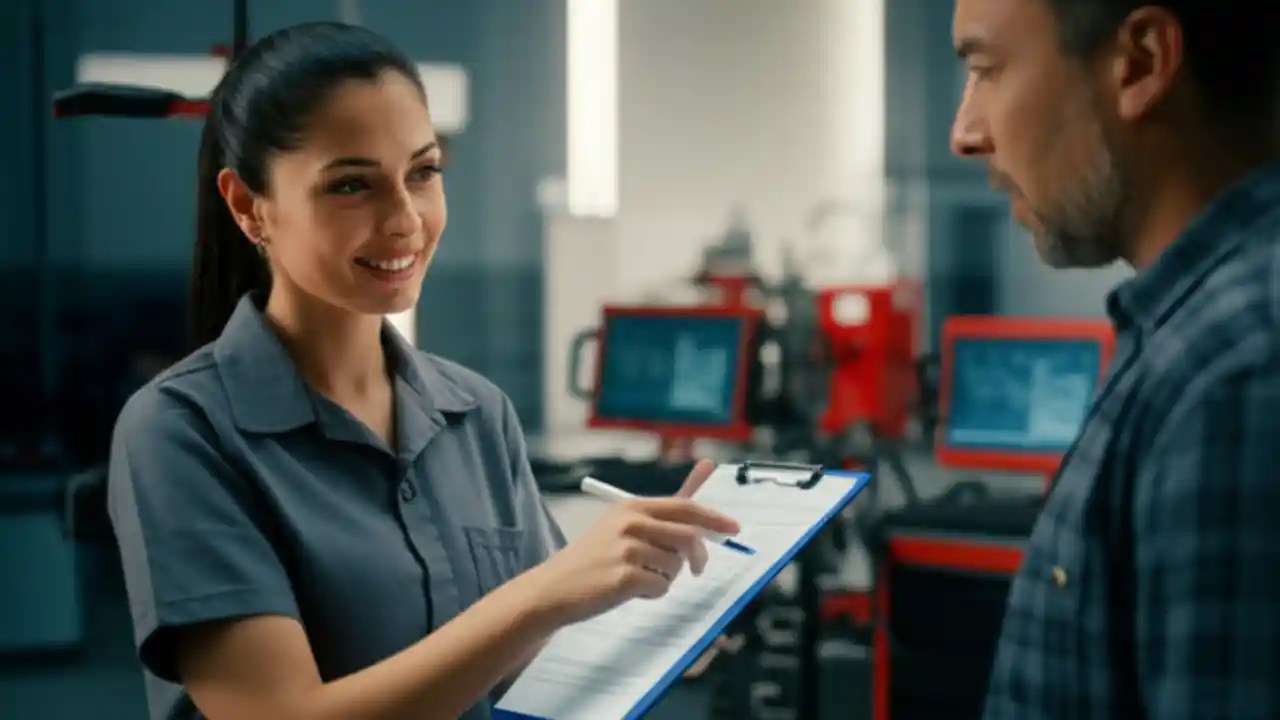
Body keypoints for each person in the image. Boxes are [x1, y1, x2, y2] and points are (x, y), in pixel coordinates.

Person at [106, 22, 741, 720]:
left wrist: (663, 610)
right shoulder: (181, 431)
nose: (406, 218)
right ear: (249, 206)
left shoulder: (477, 412)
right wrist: (545, 591)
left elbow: (538, 655)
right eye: (352, 185)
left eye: (424, 172)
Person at [948, 0, 1280, 717]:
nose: (964, 133)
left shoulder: (1239, 376)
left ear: (1142, 64)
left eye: (987, 70)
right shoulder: (1187, 334)